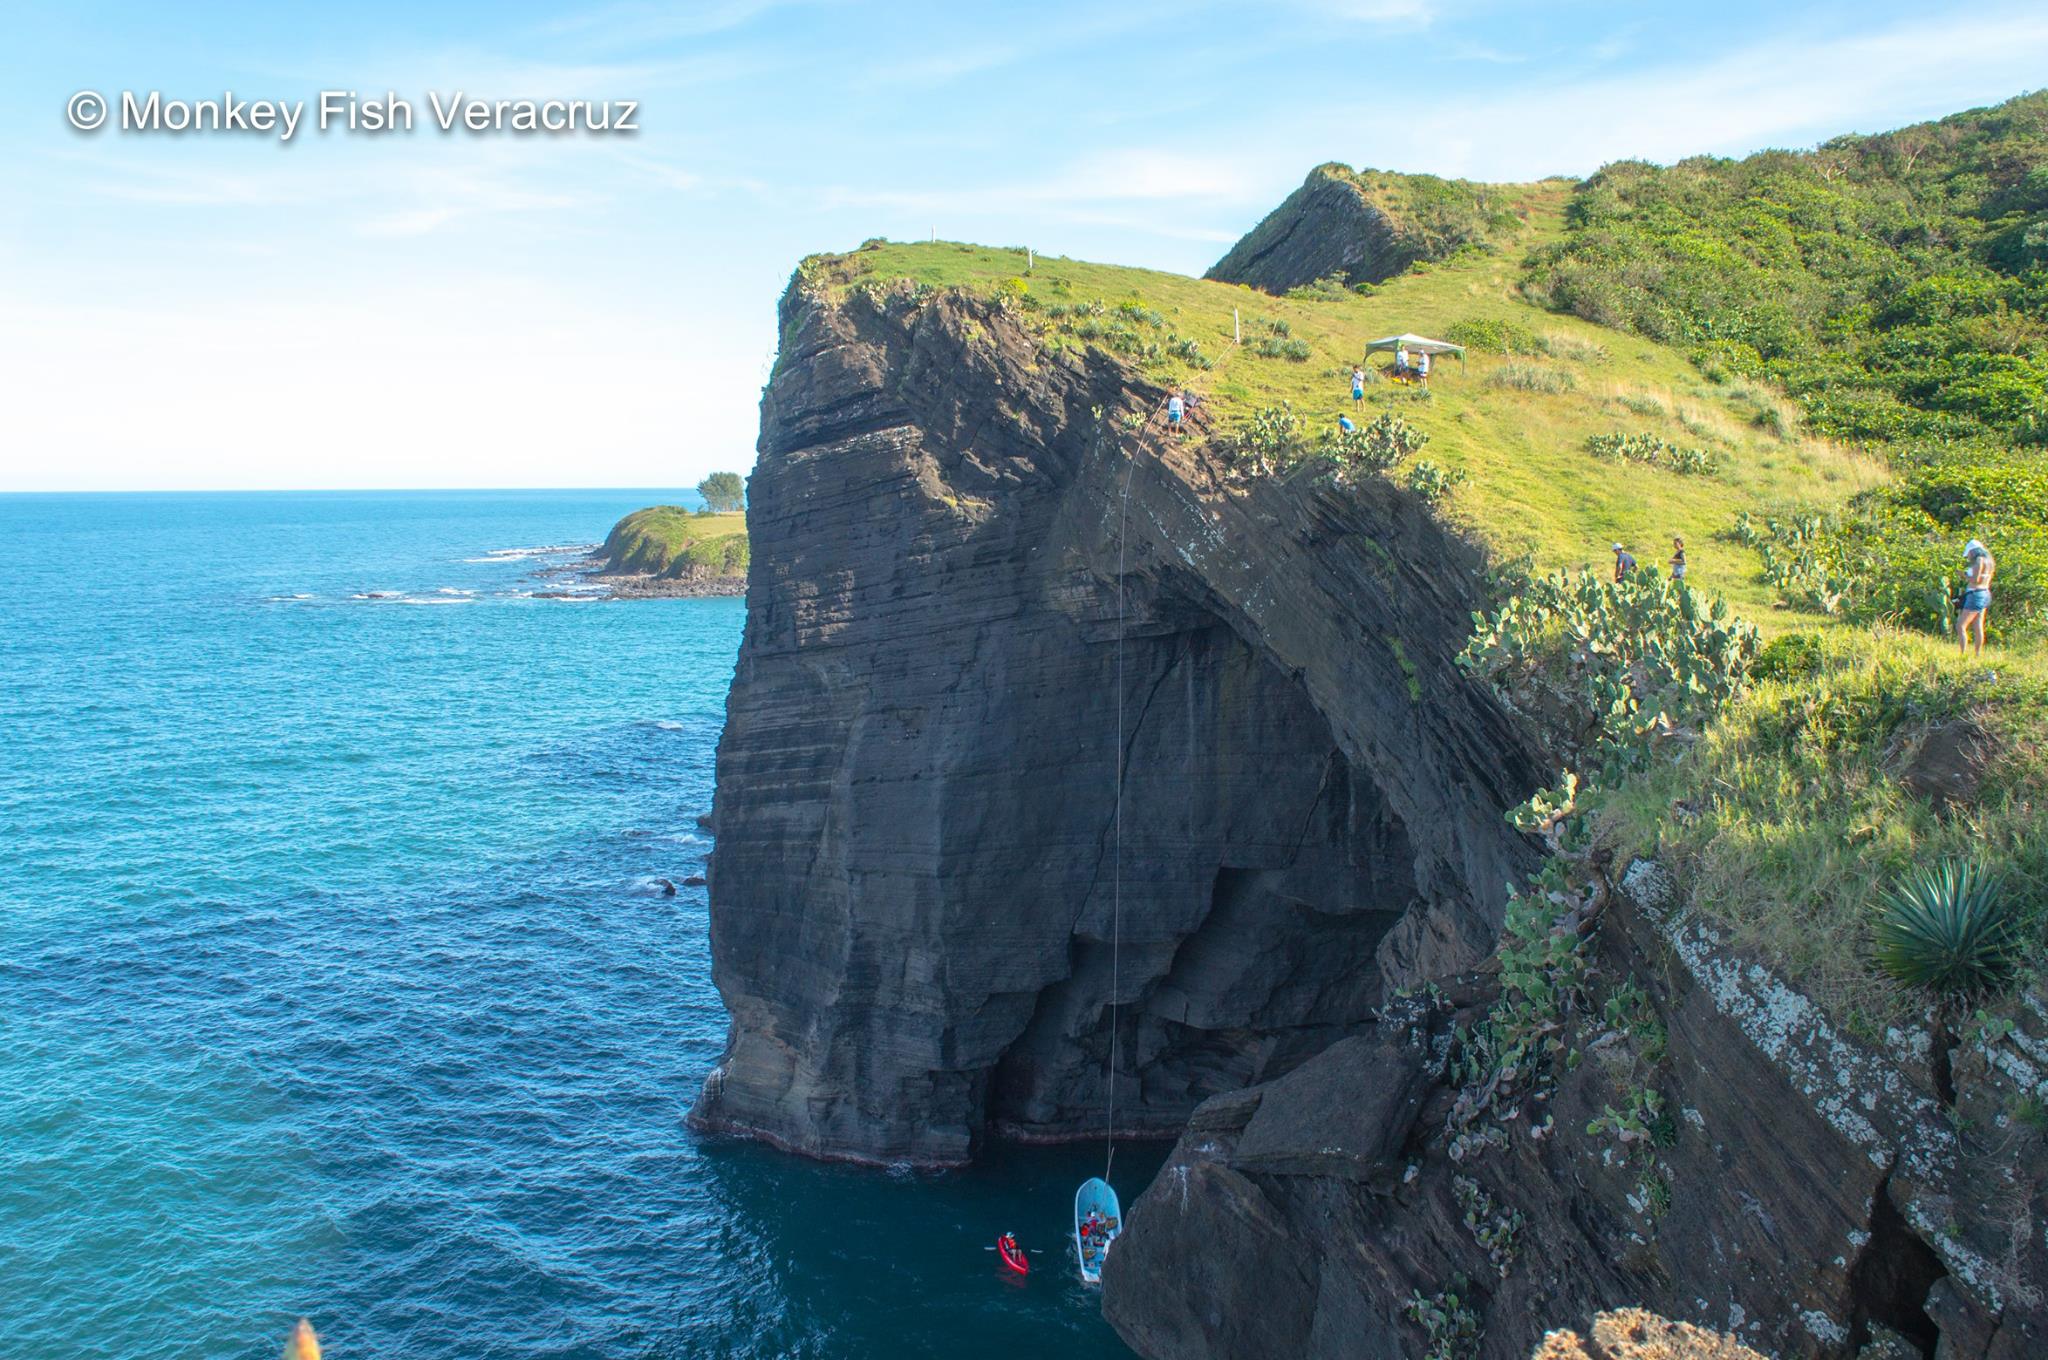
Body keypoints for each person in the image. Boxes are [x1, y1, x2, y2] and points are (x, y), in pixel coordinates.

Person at [1958, 538, 1995, 657]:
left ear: (1973, 551)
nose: (1968, 557)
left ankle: (1963, 654)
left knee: (1961, 625)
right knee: (1978, 624)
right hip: (1985, 593)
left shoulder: (1979, 560)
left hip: (1976, 594)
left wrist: (1964, 575)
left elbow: (1976, 580)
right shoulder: (1990, 561)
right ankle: (1977, 654)